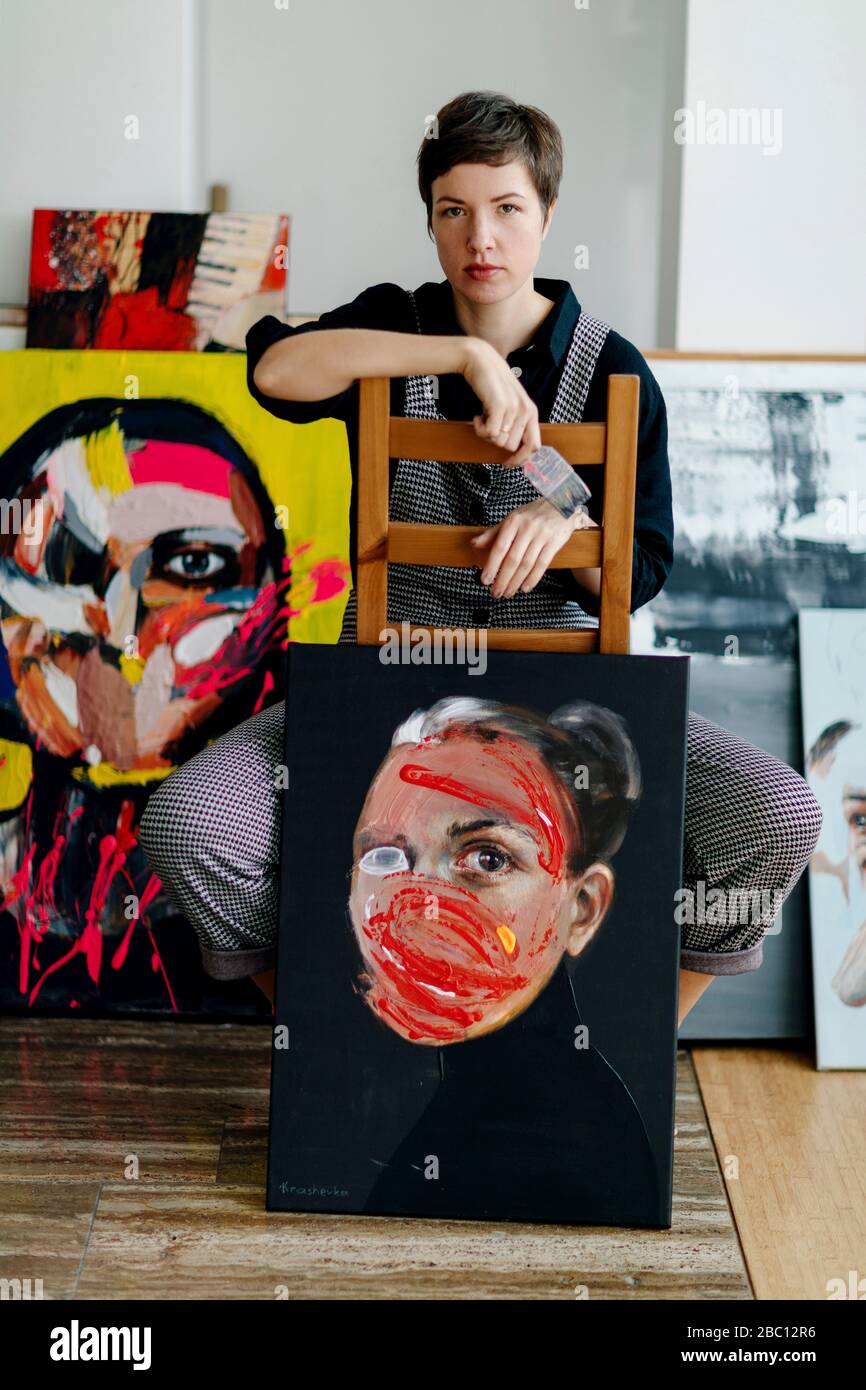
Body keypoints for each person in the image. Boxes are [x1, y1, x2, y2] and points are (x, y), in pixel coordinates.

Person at [138, 89, 823, 1027]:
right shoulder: (394, 325)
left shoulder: (613, 367)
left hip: (570, 715)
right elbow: (273, 372)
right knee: (190, 821)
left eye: (507, 209)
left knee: (779, 816)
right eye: (453, 211)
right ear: (430, 222)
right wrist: (462, 354)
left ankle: (628, 1042)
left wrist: (567, 527)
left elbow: (647, 561)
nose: (481, 238)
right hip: (377, 691)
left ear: (546, 216)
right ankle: (342, 1046)